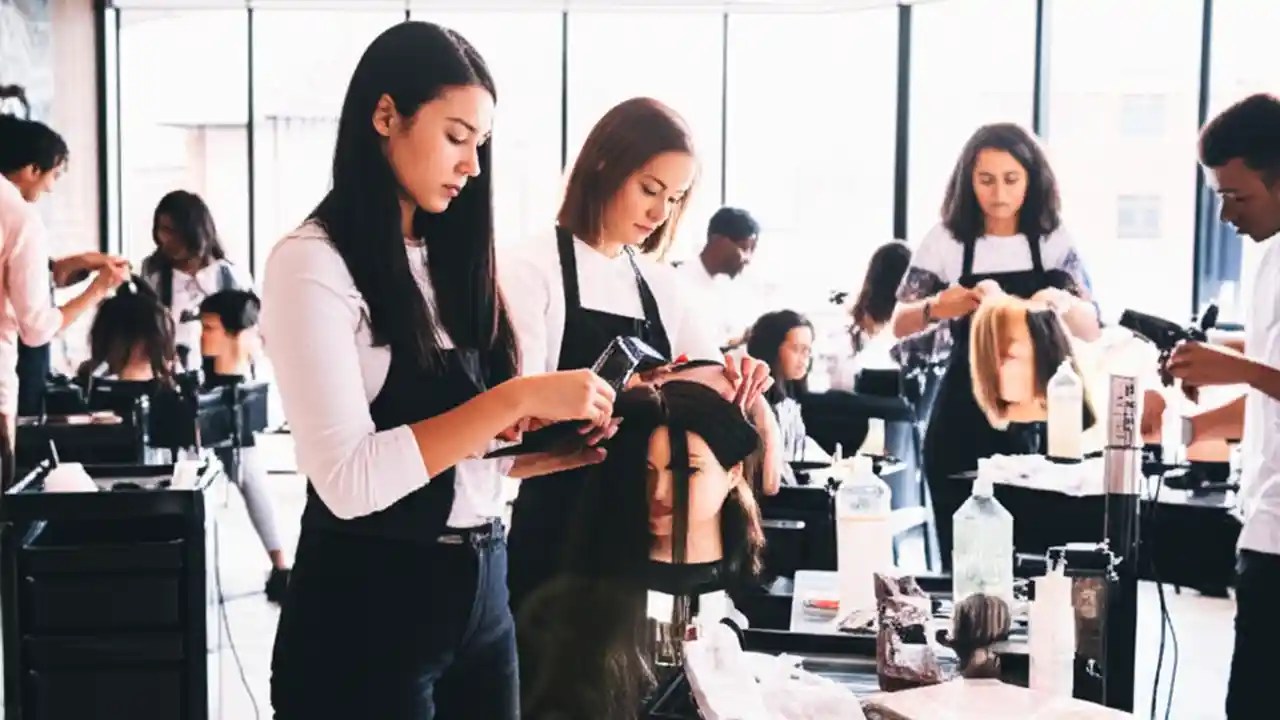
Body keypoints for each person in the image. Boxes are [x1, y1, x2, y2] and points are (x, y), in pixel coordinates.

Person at [262, 22, 618, 719]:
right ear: (385, 115)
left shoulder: (457, 261)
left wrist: (526, 451)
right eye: (457, 136)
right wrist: (509, 399)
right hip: (364, 611)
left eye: (480, 144)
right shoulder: (312, 263)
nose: (472, 165)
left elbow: (444, 454)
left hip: (483, 594)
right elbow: (349, 480)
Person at [500, 97, 775, 615]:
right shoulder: (527, 270)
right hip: (557, 533)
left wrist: (742, 385)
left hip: (643, 537)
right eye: (650, 190)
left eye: (674, 198)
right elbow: (509, 434)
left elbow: (707, 395)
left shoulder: (659, 283)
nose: (660, 212)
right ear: (603, 165)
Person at [889, 124, 1101, 538]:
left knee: (1037, 552)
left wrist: (1063, 303)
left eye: (1011, 180)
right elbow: (899, 323)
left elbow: (1092, 327)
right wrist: (936, 307)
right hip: (962, 413)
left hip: (1037, 414)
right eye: (986, 180)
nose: (999, 194)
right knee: (966, 554)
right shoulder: (946, 240)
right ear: (968, 180)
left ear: (1032, 179)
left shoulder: (1053, 239)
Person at [518, 380, 765, 719]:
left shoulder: (749, 586)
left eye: (685, 470)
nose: (660, 492)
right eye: (644, 472)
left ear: (733, 473)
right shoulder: (576, 608)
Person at [1157, 93, 1280, 720]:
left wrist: (1233, 368)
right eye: (1217, 198)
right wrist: (1207, 358)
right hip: (1263, 514)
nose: (1226, 214)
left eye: (1238, 197)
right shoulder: (1267, 255)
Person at [0, 114, 128, 481]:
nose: (51, 188)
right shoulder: (21, 218)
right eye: (53, 175)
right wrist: (98, 289)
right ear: (31, 169)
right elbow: (37, 329)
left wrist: (66, 266)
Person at [199, 289, 290, 601]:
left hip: (232, 399)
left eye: (209, 329)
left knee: (251, 478)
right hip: (216, 396)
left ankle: (280, 563)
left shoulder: (254, 375)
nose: (201, 337)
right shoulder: (201, 381)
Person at [140, 189, 252, 369]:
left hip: (223, 386)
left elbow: (252, 342)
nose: (167, 239)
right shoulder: (152, 278)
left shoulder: (232, 277)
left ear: (196, 232)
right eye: (163, 230)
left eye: (175, 232)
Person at [676, 206, 760, 351]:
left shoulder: (727, 291)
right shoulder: (676, 279)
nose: (748, 259)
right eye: (744, 248)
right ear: (718, 240)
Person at [746, 310, 813, 466]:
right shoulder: (757, 404)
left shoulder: (791, 400)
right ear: (772, 349)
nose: (804, 358)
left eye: (807, 350)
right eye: (796, 349)